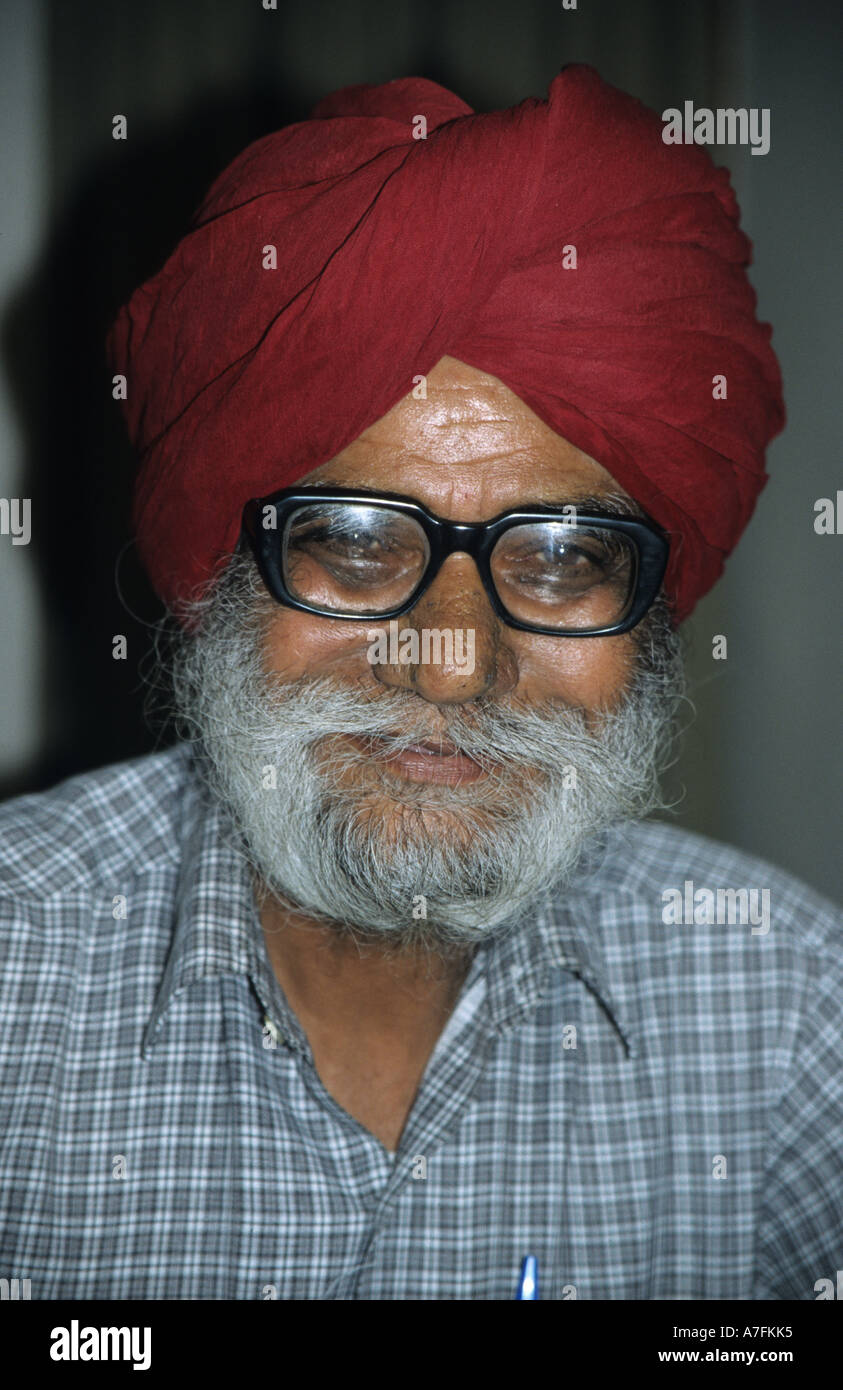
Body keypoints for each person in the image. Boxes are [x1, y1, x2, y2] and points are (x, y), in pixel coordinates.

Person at [0, 64, 839, 1301]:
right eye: (350, 539)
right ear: (221, 575)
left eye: (560, 556)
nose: (451, 659)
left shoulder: (782, 1005)